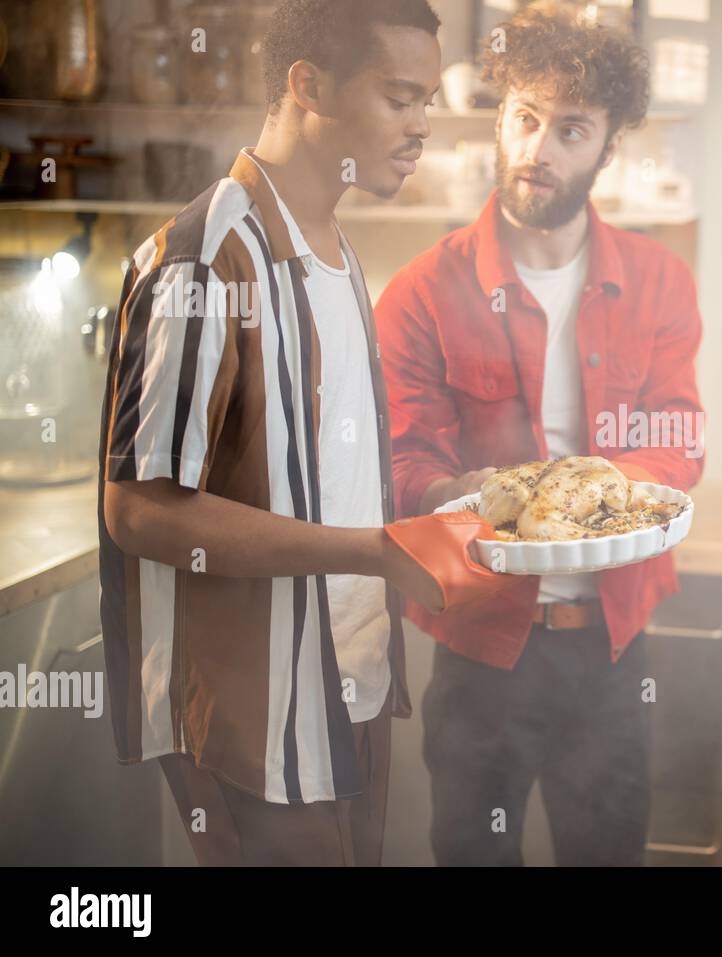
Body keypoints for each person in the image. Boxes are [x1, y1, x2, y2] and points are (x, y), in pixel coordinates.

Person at [97, 0, 508, 866]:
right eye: (400, 98)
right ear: (307, 85)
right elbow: (139, 509)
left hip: (345, 681)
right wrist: (373, 549)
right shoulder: (207, 256)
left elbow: (325, 471)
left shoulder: (336, 249)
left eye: (428, 101)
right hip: (252, 706)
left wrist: (446, 509)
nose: (422, 126)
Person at [375, 1, 706, 865]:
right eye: (524, 119)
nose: (538, 149)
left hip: (610, 647)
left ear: (606, 147)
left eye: (570, 129)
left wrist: (587, 494)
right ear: (498, 117)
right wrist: (468, 495)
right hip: (480, 648)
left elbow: (679, 434)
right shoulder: (420, 292)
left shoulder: (660, 281)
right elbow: (404, 463)